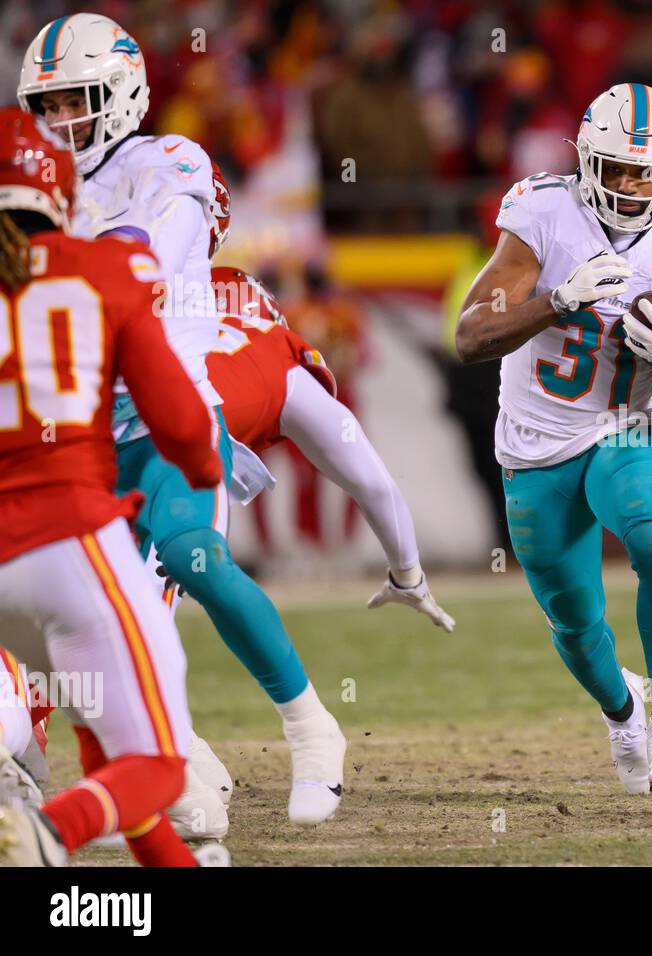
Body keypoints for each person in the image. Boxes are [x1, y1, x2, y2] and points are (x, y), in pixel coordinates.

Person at [18, 13, 345, 827]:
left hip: (169, 411)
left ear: (122, 94)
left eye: (76, 102)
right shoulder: (39, 185)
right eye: (46, 107)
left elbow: (137, 257)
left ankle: (310, 726)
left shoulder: (168, 160)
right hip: (80, 433)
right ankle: (169, 761)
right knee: (79, 624)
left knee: (193, 553)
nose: (61, 123)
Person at [456, 84, 652, 793]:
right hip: (533, 443)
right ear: (586, 162)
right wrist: (557, 299)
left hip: (621, 427)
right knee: (577, 622)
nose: (629, 183)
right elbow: (469, 336)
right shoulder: (544, 215)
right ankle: (624, 710)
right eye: (615, 167)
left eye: (643, 171)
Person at [0, 108, 222, 866]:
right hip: (68, 541)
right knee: (156, 764)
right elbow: (186, 428)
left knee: (100, 735)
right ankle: (50, 831)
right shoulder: (102, 270)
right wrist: (204, 476)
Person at [206, 267, 454, 630]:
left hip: (242, 401)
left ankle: (326, 547)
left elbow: (359, 357)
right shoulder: (294, 323)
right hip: (281, 391)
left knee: (293, 477)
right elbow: (377, 486)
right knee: (297, 477)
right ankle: (286, 548)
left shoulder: (337, 312)